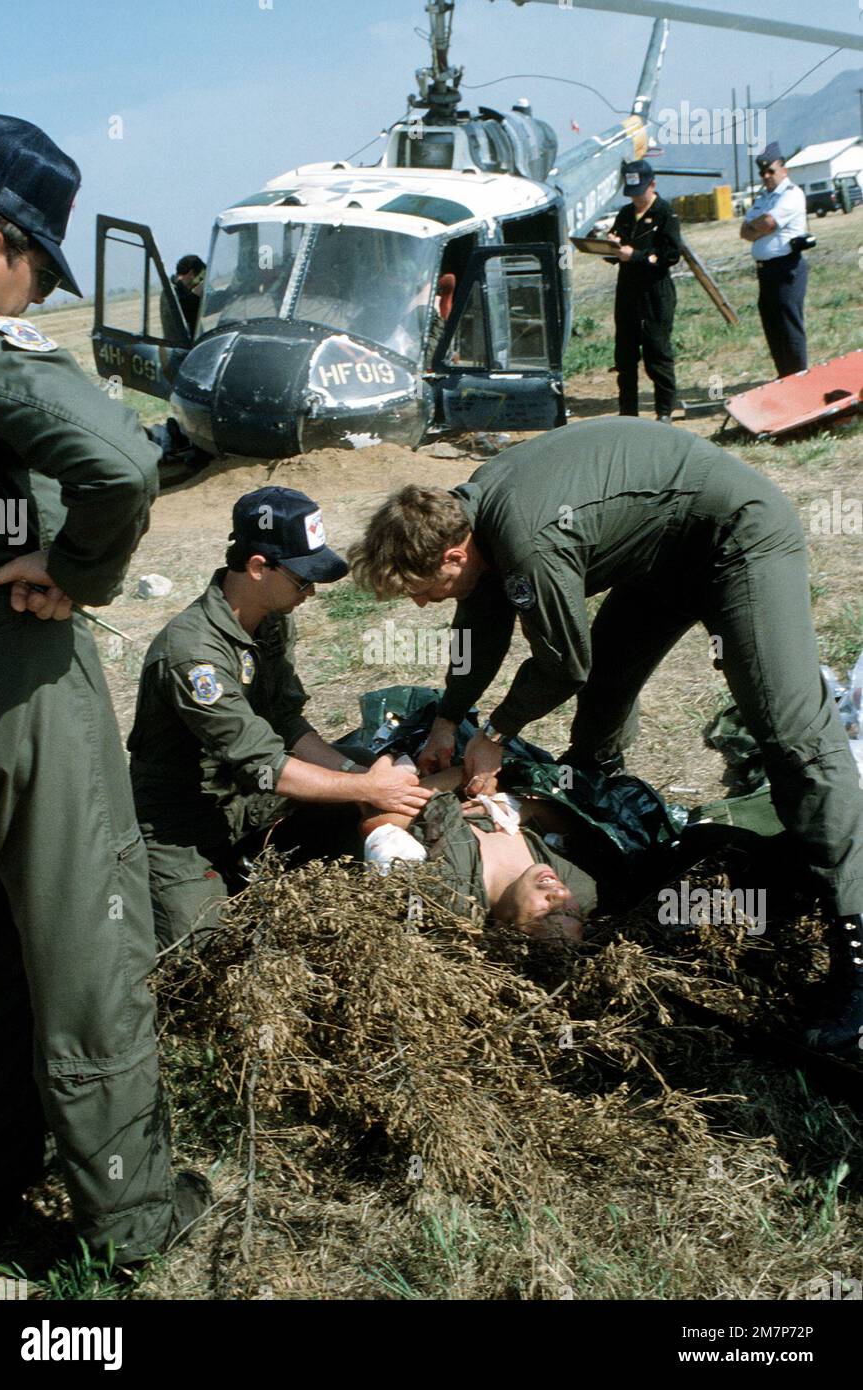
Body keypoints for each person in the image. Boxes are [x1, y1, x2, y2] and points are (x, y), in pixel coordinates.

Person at [349, 418, 863, 1055]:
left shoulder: (526, 539)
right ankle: (603, 804)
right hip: (665, 553)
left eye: (424, 592)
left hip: (736, 536)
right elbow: (479, 628)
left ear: (453, 555)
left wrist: (499, 733)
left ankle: (855, 948)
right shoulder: (472, 520)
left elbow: (565, 660)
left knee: (795, 739)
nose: (424, 606)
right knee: (605, 698)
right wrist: (453, 719)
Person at [0, 113, 208, 1257]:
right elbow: (120, 461)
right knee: (84, 944)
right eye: (29, 273)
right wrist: (76, 569)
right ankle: (132, 1220)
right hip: (13, 681)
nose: (24, 299)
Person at [127, 486, 431, 949]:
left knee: (354, 768)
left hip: (246, 802)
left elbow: (286, 721)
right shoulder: (193, 657)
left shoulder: (269, 617)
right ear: (256, 567)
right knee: (202, 959)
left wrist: (357, 776)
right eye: (302, 580)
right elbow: (263, 763)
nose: (310, 592)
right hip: (181, 827)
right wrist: (366, 787)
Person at [360, 765, 596, 941]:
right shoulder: (579, 889)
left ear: (504, 928)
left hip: (394, 774)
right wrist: (517, 807)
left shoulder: (449, 893)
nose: (559, 895)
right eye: (572, 914)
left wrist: (465, 774)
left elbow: (378, 822)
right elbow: (573, 823)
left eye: (546, 913)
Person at [606, 158, 681, 422]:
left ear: (653, 185)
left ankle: (664, 412)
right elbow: (615, 253)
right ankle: (628, 414)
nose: (636, 199)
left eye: (640, 193)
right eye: (632, 194)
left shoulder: (665, 213)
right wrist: (610, 246)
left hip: (654, 294)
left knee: (657, 354)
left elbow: (670, 255)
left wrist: (635, 255)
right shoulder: (625, 214)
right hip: (627, 293)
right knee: (625, 357)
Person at [741, 141, 809, 379]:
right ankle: (784, 376)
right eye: (763, 172)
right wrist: (759, 227)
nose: (766, 176)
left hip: (786, 268)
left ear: (784, 170)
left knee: (789, 325)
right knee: (772, 325)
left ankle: (798, 376)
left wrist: (758, 226)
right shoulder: (763, 198)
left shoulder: (791, 195)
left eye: (771, 171)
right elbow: (744, 231)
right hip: (766, 271)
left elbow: (767, 223)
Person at [162, 253, 205, 337]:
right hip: (183, 347)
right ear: (192, 273)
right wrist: (195, 296)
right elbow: (183, 313)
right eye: (200, 278)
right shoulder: (171, 292)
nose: (200, 281)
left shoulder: (177, 289)